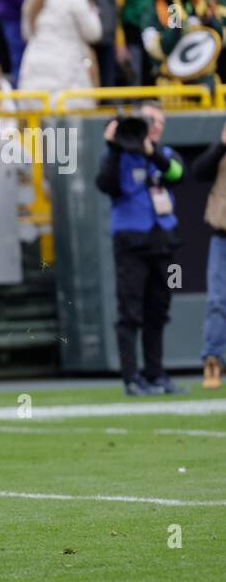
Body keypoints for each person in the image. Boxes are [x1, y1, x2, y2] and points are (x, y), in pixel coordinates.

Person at [95, 102, 186, 396]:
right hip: (131, 243)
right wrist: (113, 146)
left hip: (166, 245)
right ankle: (131, 377)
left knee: (159, 309)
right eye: (148, 120)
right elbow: (105, 184)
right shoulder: (119, 158)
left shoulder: (166, 155)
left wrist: (151, 152)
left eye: (159, 121)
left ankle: (156, 373)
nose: (154, 125)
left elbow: (176, 174)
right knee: (130, 311)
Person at [18, 0, 102, 97]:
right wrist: (93, 9)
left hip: (34, 67)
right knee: (69, 116)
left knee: (37, 117)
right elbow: (93, 33)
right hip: (68, 69)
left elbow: (26, 33)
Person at [189, 125, 226, 390]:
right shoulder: (221, 150)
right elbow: (198, 172)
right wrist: (221, 145)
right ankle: (212, 359)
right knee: (217, 300)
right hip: (222, 235)